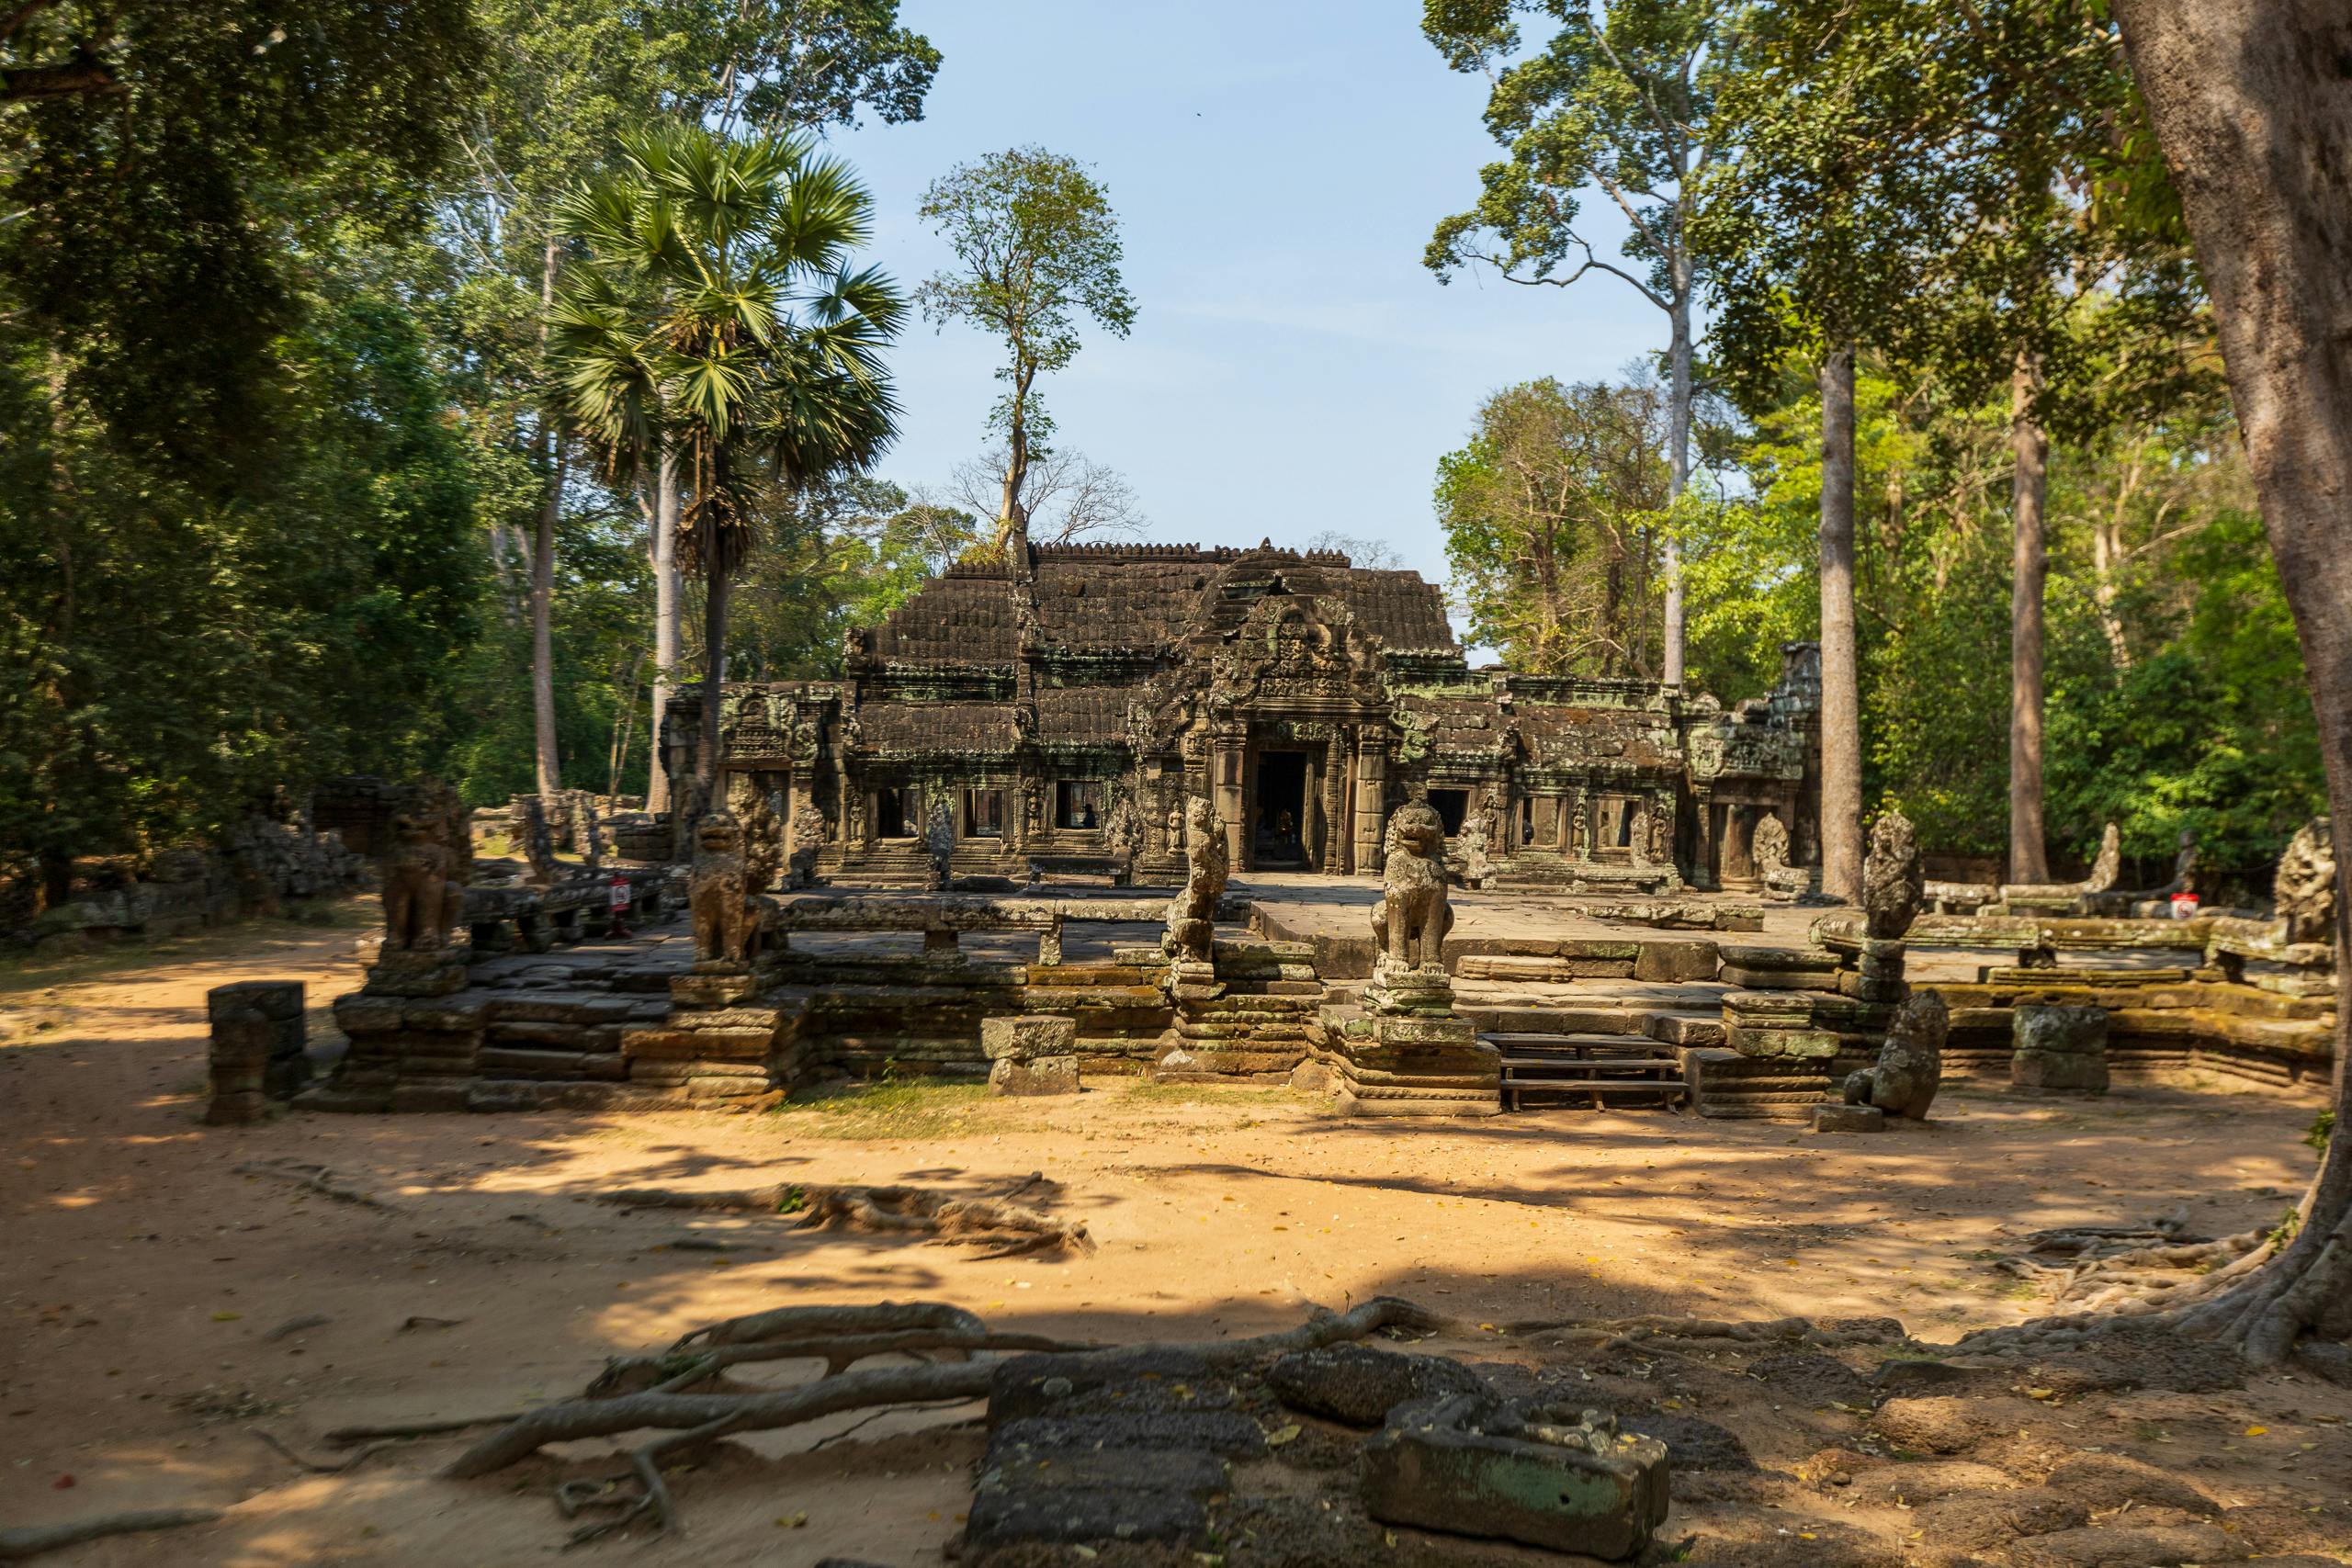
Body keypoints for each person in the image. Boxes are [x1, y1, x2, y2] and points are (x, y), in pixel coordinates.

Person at [605, 873, 634, 940]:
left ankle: (620, 927)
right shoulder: (613, 882)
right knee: (616, 908)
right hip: (616, 897)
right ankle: (617, 927)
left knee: (619, 908)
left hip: (620, 898)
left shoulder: (623, 882)